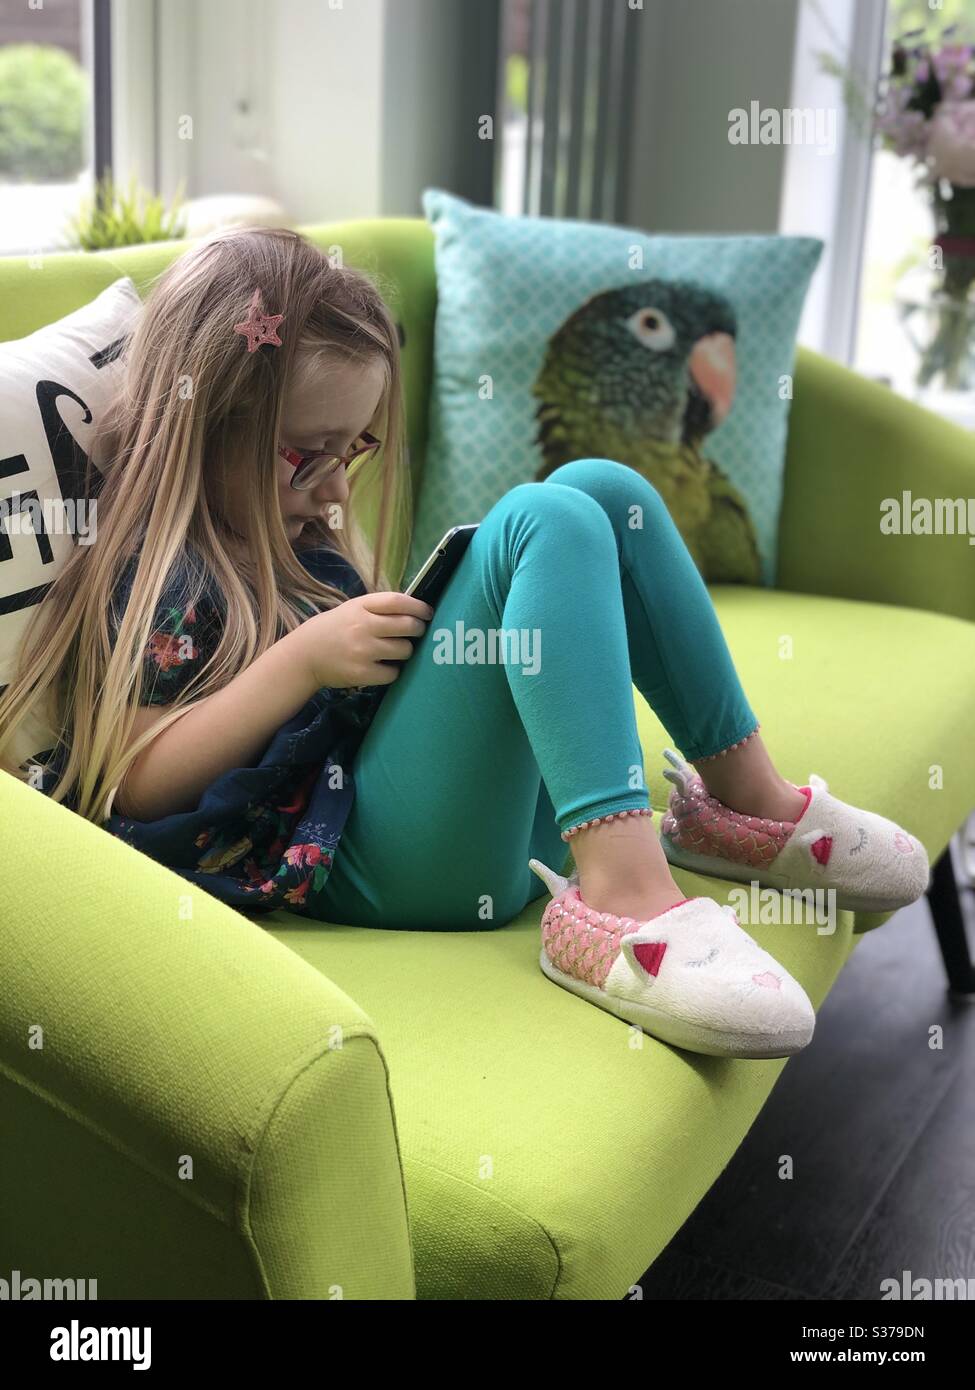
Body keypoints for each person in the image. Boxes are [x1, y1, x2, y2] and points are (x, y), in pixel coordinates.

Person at [0, 226, 930, 1060]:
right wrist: (301, 663)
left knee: (600, 489)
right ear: (209, 419)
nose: (333, 485)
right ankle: (626, 903)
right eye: (304, 452)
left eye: (353, 449)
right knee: (540, 519)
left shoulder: (299, 536)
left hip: (479, 834)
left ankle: (746, 804)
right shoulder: (164, 568)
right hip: (355, 864)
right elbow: (126, 777)